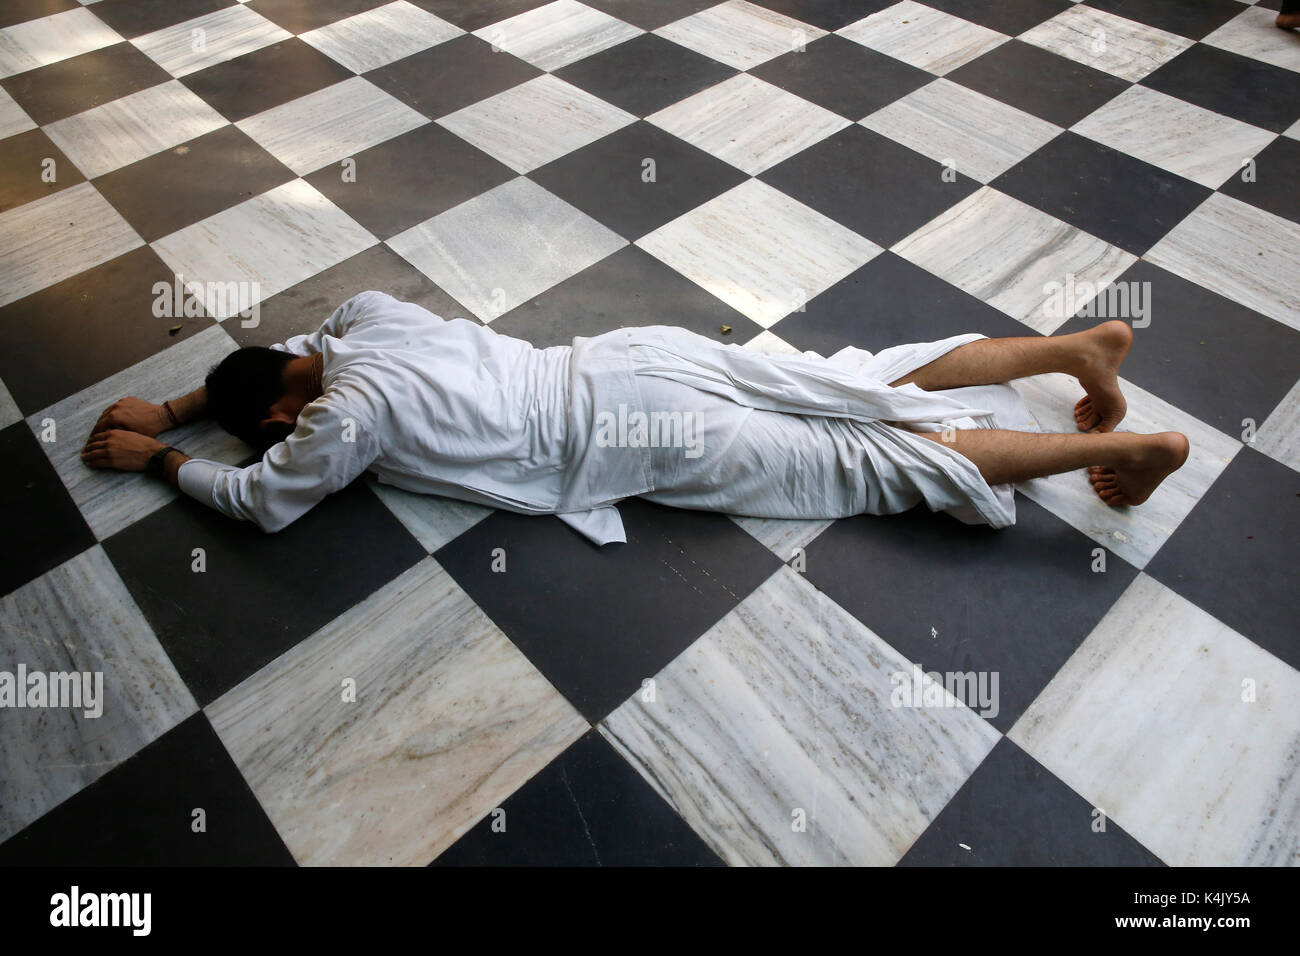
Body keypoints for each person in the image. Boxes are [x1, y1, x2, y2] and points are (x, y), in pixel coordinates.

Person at [80, 291, 1188, 545]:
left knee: (871, 457)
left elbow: (268, 501)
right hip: (635, 353)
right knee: (854, 374)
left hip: (628, 435)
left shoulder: (342, 415)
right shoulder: (364, 324)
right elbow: (312, 331)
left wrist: (164, 457)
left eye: (274, 417)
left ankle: (1112, 448)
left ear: (284, 406)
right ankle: (1075, 349)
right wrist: (186, 396)